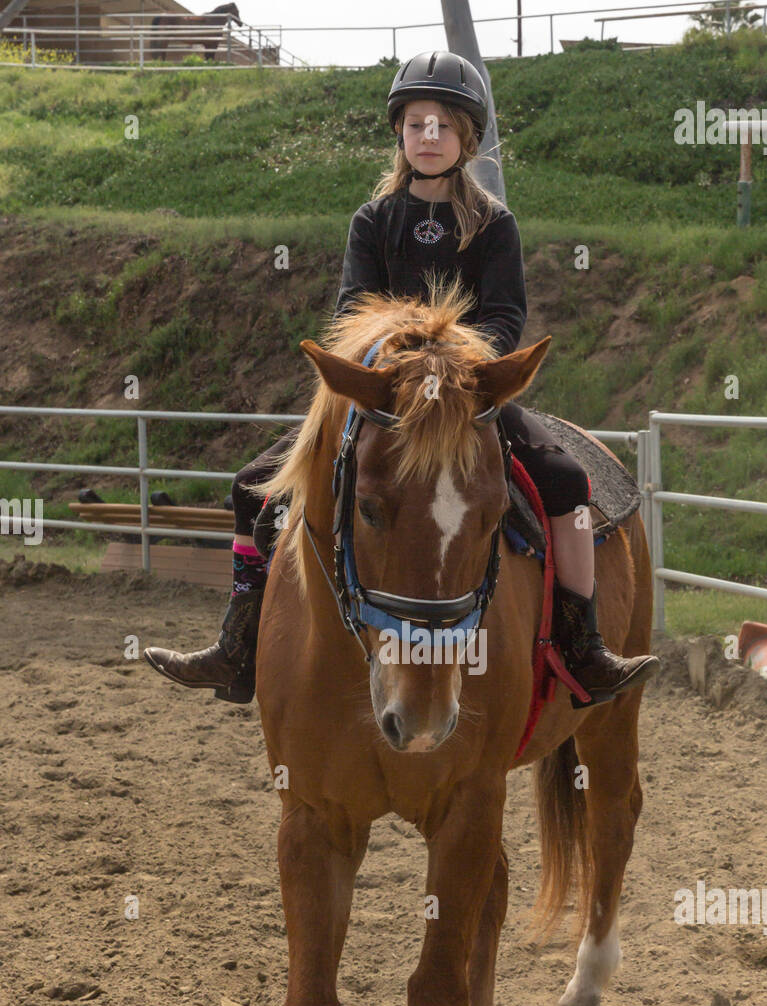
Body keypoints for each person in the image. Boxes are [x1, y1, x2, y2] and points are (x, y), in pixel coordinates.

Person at [145, 50, 659, 706]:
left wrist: (459, 368)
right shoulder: (373, 220)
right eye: (417, 125)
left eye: (443, 126)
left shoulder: (495, 225)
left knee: (568, 484)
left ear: (466, 138)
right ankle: (239, 643)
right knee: (252, 486)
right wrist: (400, 367)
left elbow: (505, 316)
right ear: (400, 133)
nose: (429, 137)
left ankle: (580, 644)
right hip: (388, 398)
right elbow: (351, 311)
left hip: (467, 398)